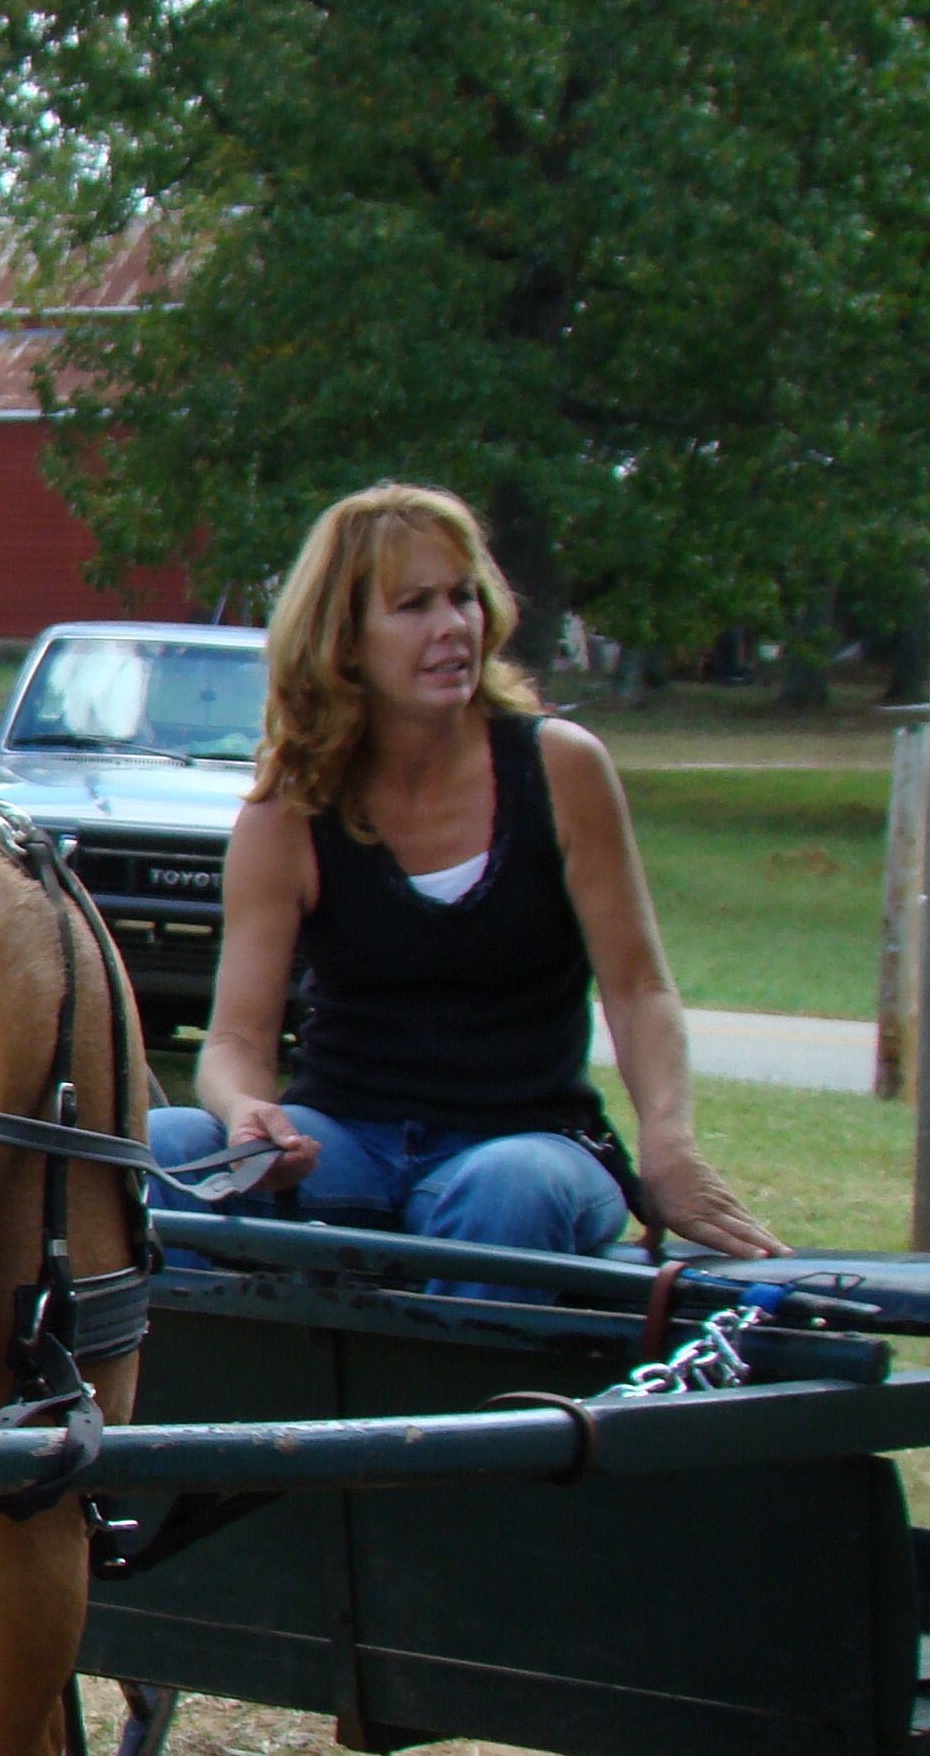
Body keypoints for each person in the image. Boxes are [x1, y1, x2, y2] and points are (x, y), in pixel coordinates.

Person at [149, 482, 782, 1292]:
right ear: (344, 643)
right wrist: (246, 1113)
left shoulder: (560, 768)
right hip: (344, 1139)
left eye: (464, 597)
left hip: (530, 1144)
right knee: (166, 1145)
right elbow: (235, 1042)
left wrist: (668, 1146)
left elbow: (637, 987)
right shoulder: (289, 814)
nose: (453, 626)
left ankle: (452, 1416)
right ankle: (217, 1403)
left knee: (505, 1191)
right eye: (414, 605)